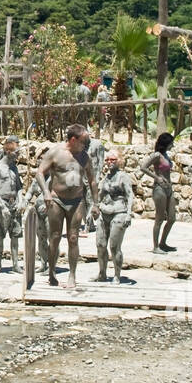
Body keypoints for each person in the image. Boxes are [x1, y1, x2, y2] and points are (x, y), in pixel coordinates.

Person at [33, 123, 99, 289]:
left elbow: (92, 180)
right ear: (73, 139)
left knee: (73, 238)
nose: (85, 146)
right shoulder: (56, 152)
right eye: (83, 142)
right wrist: (46, 193)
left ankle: (72, 275)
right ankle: (52, 272)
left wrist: (96, 204)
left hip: (76, 201)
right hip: (57, 200)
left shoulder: (84, 156)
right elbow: (40, 172)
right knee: (54, 237)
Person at [93, 150, 134, 283]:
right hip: (104, 212)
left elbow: (130, 195)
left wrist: (129, 214)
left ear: (119, 161)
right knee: (100, 244)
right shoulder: (106, 177)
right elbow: (100, 194)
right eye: (107, 160)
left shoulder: (123, 177)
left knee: (114, 246)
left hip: (119, 212)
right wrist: (95, 207)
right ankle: (102, 273)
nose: (109, 162)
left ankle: (117, 274)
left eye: (112, 160)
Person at [138, 132, 178, 253]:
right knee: (159, 218)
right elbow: (143, 167)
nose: (172, 145)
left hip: (169, 188)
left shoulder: (166, 155)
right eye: (171, 143)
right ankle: (155, 247)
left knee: (171, 218)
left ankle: (163, 242)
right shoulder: (156, 155)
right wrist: (156, 177)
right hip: (159, 189)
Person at [0, 135, 24, 274]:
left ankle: (15, 264)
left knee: (15, 235)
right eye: (16, 153)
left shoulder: (14, 168)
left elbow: (19, 187)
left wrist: (20, 201)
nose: (18, 156)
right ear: (9, 152)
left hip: (14, 203)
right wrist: (2, 207)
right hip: (1, 205)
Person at [82, 135, 107, 234]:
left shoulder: (97, 144)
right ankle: (89, 223)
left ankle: (87, 226)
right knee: (82, 201)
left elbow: (101, 162)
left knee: (90, 200)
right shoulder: (80, 145)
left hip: (93, 176)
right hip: (81, 177)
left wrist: (97, 177)